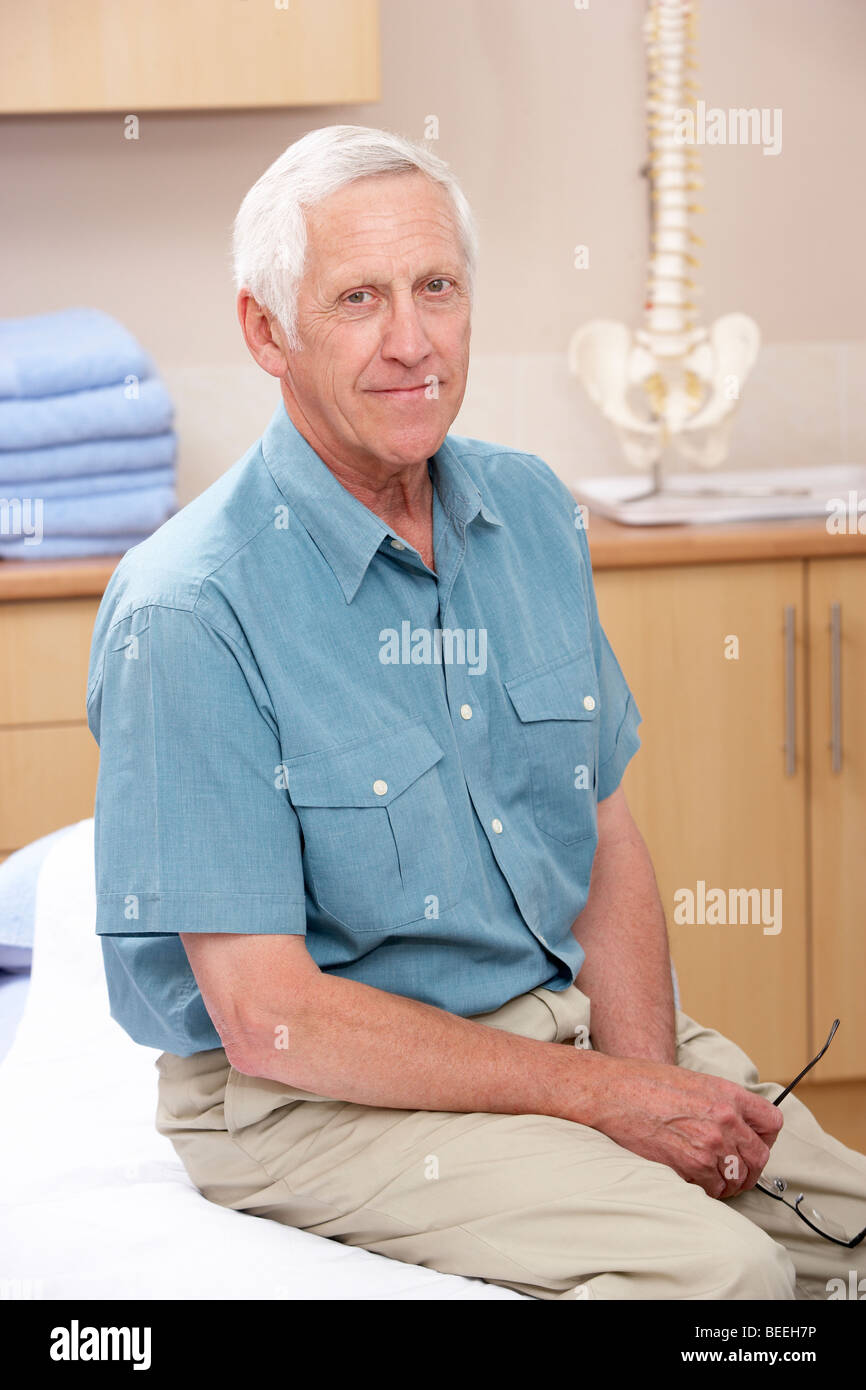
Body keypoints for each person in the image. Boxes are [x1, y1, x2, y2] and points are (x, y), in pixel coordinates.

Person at [86, 125, 865, 1300]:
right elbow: (271, 1020)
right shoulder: (189, 608)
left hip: (553, 1029)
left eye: (435, 288)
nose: (411, 342)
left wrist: (641, 1080)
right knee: (724, 1278)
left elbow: (598, 830)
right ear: (266, 330)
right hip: (307, 1096)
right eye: (356, 299)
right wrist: (605, 1103)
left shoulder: (528, 507)